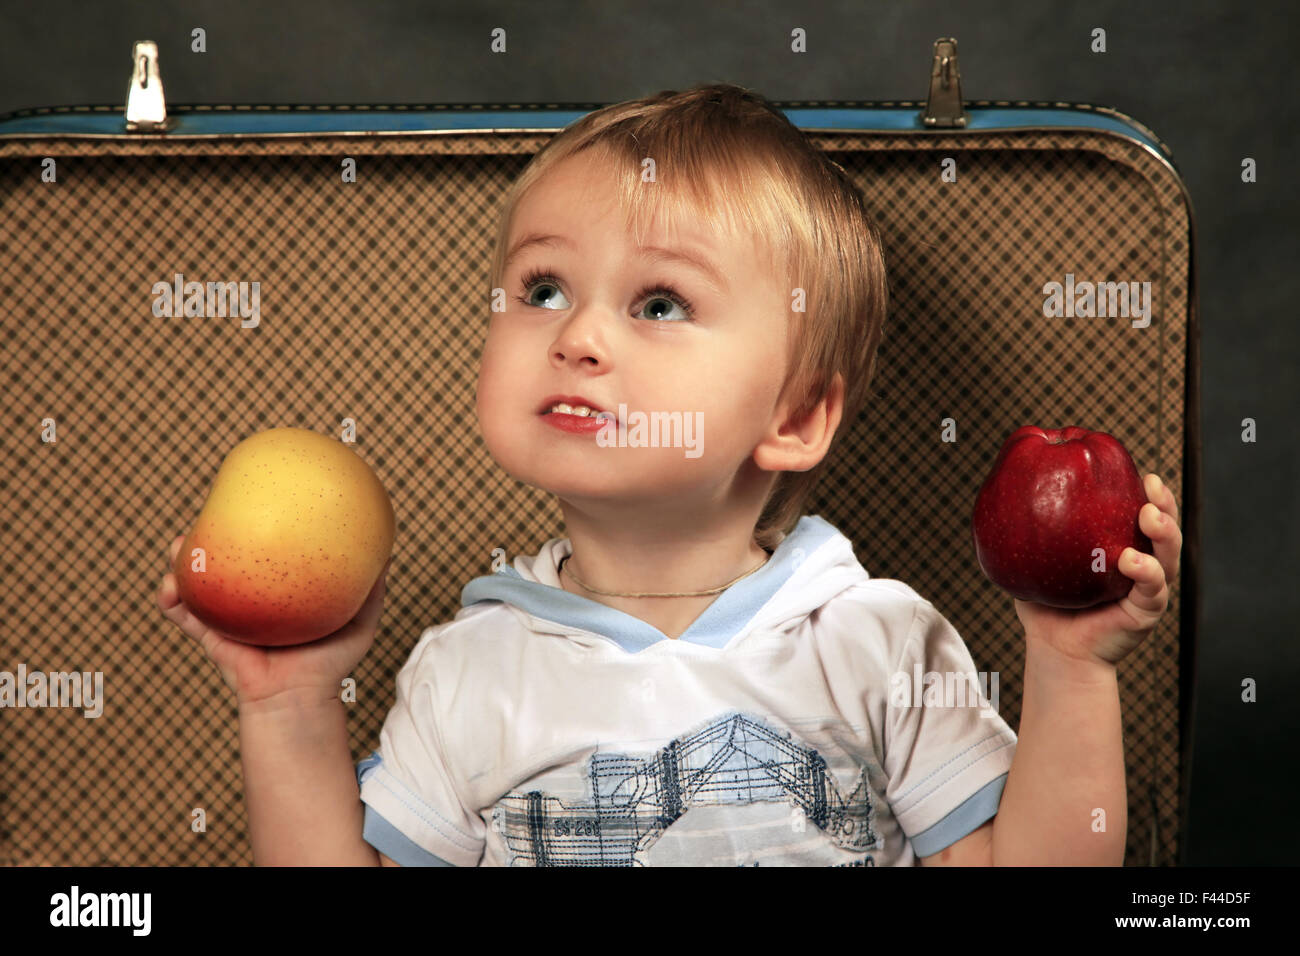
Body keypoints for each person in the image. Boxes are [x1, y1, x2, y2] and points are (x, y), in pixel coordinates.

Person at [157, 83, 1181, 866]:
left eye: (657, 303)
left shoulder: (873, 639)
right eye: (542, 286)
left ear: (793, 415)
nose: (579, 332)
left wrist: (1068, 664)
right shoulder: (466, 670)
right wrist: (288, 706)